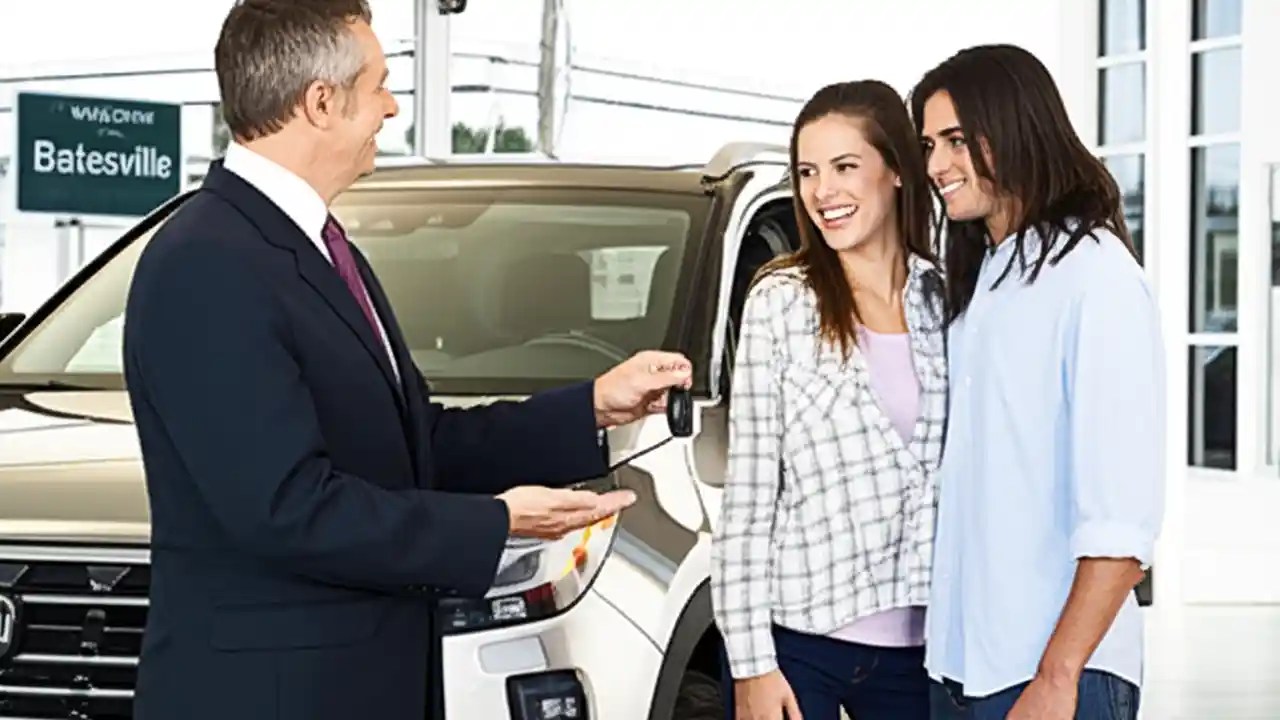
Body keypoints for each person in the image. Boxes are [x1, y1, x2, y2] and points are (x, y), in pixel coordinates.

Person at [121, 2, 691, 718]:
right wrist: (496, 521)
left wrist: (591, 408)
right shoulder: (205, 263)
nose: (391, 108)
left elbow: (416, 444)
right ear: (321, 103)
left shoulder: (323, 252)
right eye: (381, 84)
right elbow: (285, 509)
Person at [910, 44, 1165, 720]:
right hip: (962, 668)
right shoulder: (984, 279)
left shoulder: (1096, 277)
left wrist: (1057, 676)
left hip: (1050, 676)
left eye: (957, 140)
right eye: (930, 143)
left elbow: (1121, 521)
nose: (936, 165)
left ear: (1016, 128)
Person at [710, 79, 948, 720]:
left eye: (846, 167)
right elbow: (749, 499)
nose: (823, 192)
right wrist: (751, 666)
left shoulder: (947, 302)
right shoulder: (781, 302)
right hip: (800, 646)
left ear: (896, 171)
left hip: (929, 653)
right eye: (808, 171)